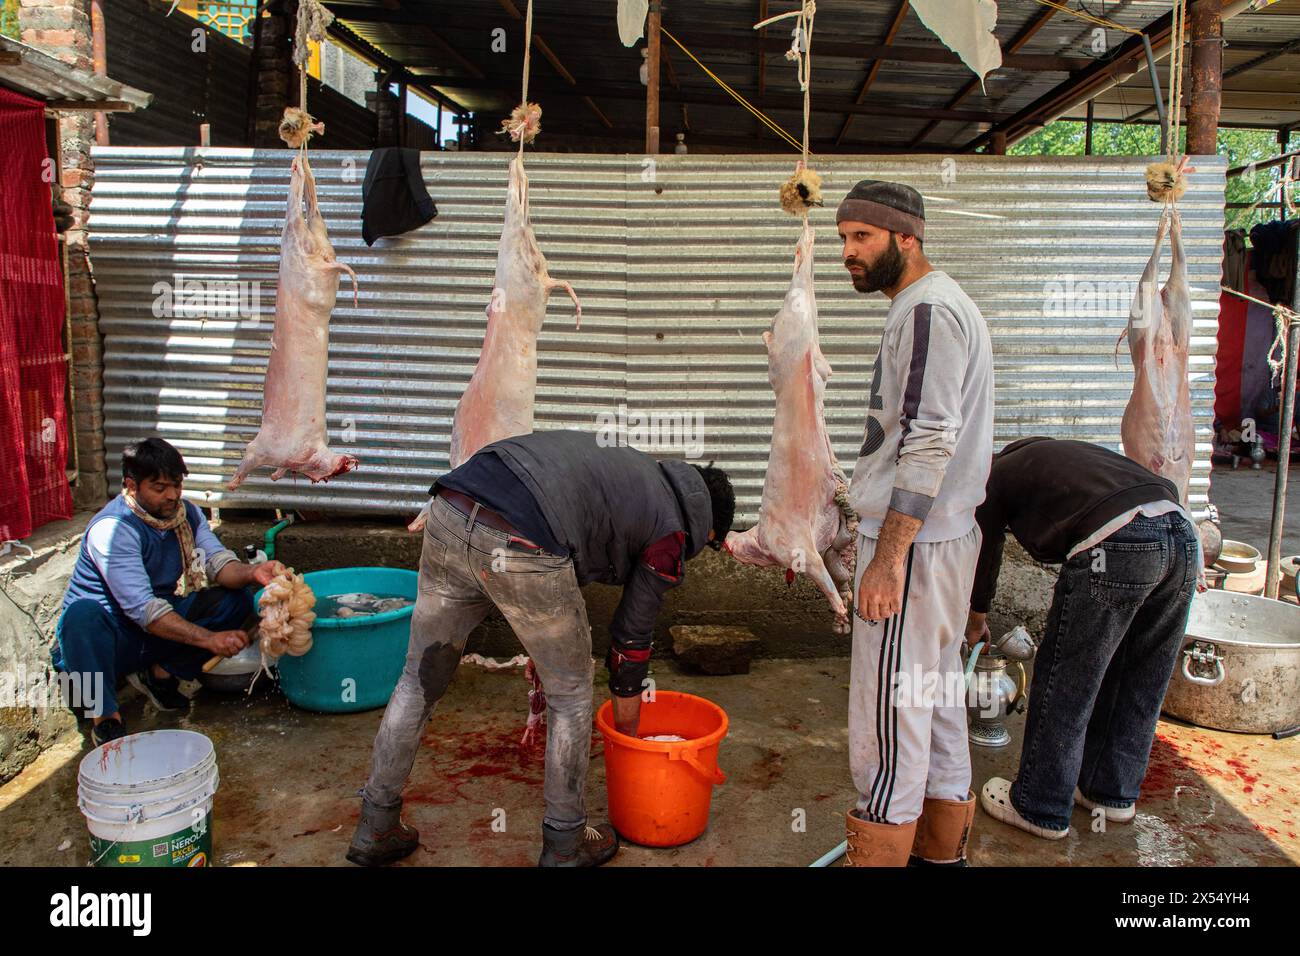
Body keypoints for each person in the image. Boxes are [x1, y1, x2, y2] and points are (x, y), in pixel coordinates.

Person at [348, 429, 735, 868]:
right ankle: (566, 841)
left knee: (418, 679)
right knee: (570, 694)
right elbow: (631, 641)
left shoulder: (634, 471)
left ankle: (375, 825)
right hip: (521, 539)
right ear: (707, 529)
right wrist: (629, 742)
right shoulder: (674, 531)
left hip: (451, 508)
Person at [838, 180, 994, 866]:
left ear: (907, 237)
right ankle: (941, 857)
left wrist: (886, 558)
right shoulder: (930, 305)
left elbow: (930, 437)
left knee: (889, 716)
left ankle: (882, 844)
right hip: (943, 538)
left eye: (861, 237)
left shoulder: (928, 309)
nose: (848, 252)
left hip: (915, 546)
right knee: (934, 701)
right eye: (843, 238)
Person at [967, 437, 1201, 839]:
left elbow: (985, 551)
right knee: (1140, 676)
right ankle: (1110, 793)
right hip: (1181, 535)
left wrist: (975, 621)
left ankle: (1039, 805)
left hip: (1114, 544)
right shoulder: (1063, 458)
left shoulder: (989, 479)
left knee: (1070, 677)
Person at [54, 438, 284, 745]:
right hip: (103, 647)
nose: (172, 495)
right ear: (131, 485)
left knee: (237, 599)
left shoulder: (186, 515)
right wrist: (210, 640)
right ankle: (104, 715)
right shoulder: (113, 528)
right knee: (81, 616)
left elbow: (218, 564)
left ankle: (159, 674)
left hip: (150, 632)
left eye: (176, 485)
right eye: (159, 488)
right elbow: (144, 610)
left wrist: (252, 572)